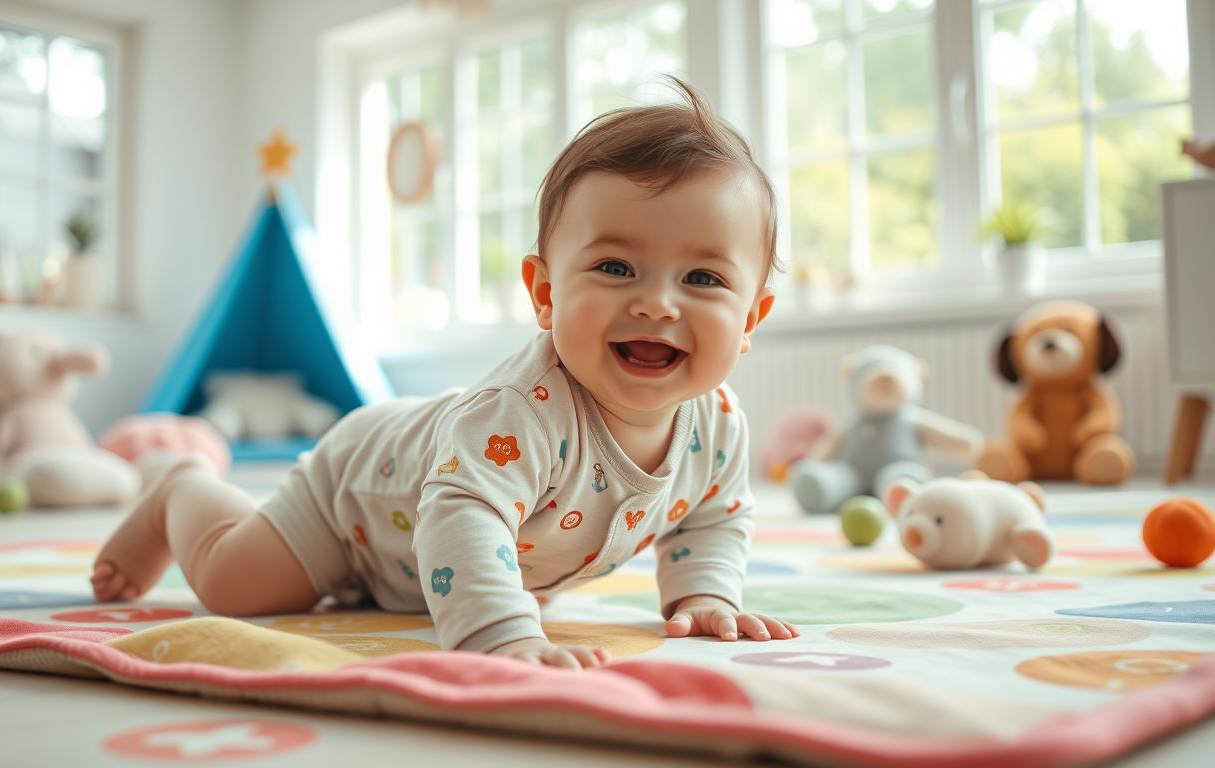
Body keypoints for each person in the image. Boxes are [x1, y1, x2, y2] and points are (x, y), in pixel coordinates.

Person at [92, 77, 798, 669]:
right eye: (615, 268)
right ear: (545, 294)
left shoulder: (719, 426)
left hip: (431, 559)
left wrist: (704, 596)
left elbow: (715, 518)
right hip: (356, 500)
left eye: (703, 277)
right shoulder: (522, 413)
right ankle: (180, 490)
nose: (655, 303)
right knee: (234, 587)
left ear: (751, 321)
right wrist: (502, 634)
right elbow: (464, 515)